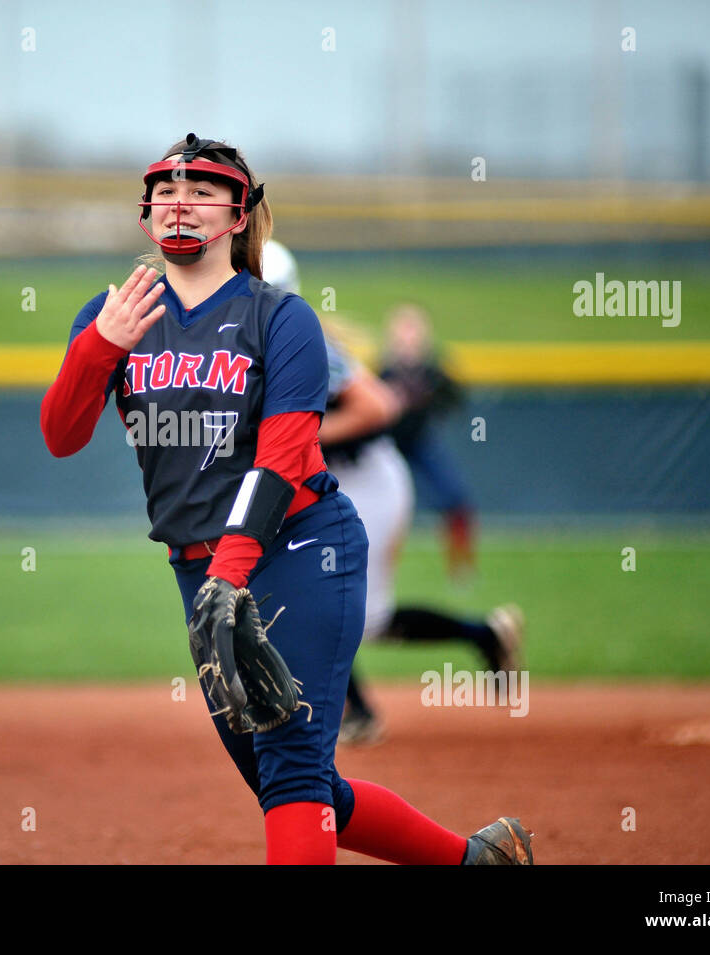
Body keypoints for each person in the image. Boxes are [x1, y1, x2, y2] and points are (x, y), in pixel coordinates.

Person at [40, 134, 532, 865]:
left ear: (239, 213)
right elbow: (61, 434)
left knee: (292, 769)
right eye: (168, 190)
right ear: (146, 211)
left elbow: (282, 458)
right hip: (198, 569)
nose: (183, 203)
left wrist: (231, 573)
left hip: (302, 548)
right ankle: (478, 861)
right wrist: (97, 349)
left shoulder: (282, 317)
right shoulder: (117, 313)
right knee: (303, 785)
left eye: (204, 191)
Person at [260, 240, 524, 747]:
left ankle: (356, 713)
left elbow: (379, 407)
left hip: (366, 481)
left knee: (334, 604)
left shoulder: (299, 340)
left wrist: (300, 437)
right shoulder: (255, 339)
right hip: (331, 479)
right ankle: (481, 635)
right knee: (336, 607)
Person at [380, 305, 478, 580]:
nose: (409, 342)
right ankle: (382, 563)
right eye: (403, 335)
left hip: (422, 444)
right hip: (391, 448)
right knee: (389, 505)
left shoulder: (433, 373)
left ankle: (462, 568)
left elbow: (456, 399)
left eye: (413, 334)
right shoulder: (385, 373)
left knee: (456, 497)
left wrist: (432, 400)